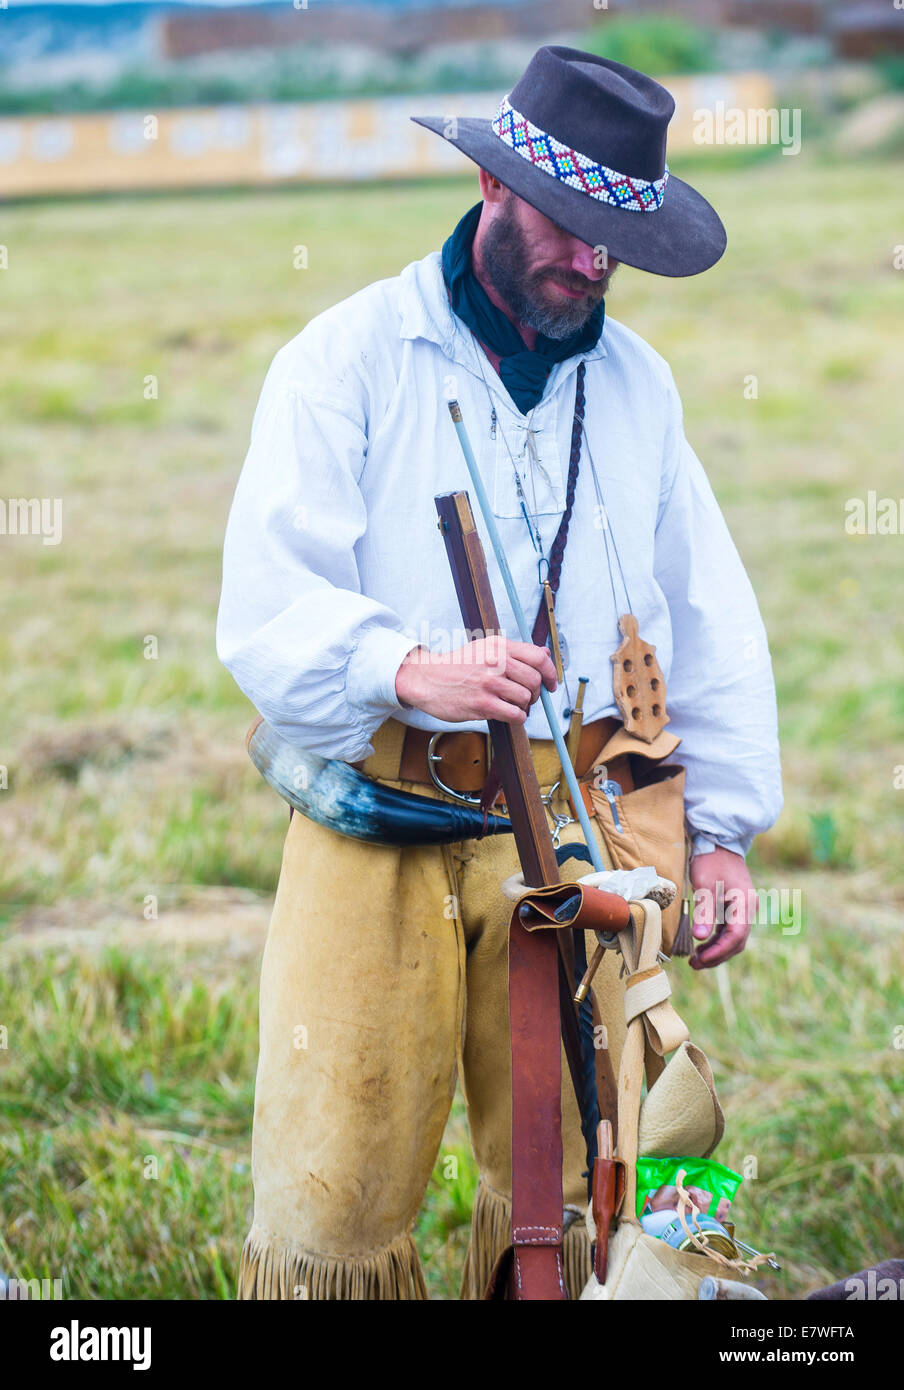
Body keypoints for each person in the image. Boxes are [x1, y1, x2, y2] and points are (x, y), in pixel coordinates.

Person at [216, 46, 782, 1300]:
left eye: (612, 240)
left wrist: (728, 833)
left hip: (589, 810)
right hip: (391, 807)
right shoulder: (346, 357)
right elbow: (265, 608)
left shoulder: (640, 386)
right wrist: (407, 666)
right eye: (572, 231)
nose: (593, 263)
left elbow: (706, 612)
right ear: (490, 184)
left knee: (629, 1151)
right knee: (337, 1172)